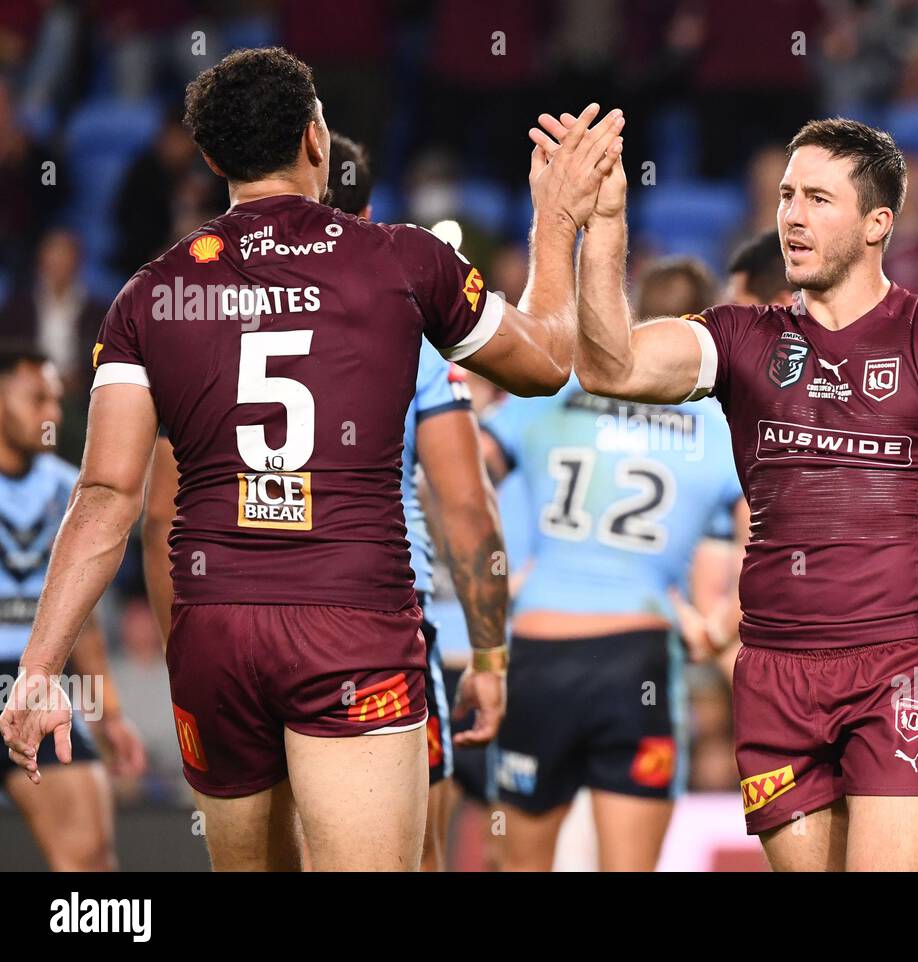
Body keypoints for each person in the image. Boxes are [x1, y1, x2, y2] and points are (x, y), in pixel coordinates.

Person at [0, 47, 621, 872]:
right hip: (351, 619)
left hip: (216, 628)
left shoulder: (151, 293)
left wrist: (40, 667)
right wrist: (556, 216)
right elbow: (545, 363)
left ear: (215, 160)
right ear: (316, 140)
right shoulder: (403, 261)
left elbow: (110, 494)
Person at [538, 113, 918, 872]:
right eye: (785, 196)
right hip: (775, 675)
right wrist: (607, 222)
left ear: (878, 223)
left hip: (896, 674)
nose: (792, 217)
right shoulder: (744, 337)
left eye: (817, 198)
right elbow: (609, 368)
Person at [138, 131, 508, 873]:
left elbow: (153, 518)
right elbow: (465, 504)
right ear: (365, 214)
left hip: (226, 622)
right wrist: (492, 654)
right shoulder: (412, 314)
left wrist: (189, 650)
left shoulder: (193, 312)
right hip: (369, 624)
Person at [478, 255, 745, 872]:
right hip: (638, 655)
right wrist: (717, 623)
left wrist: (500, 576)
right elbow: (771, 540)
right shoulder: (717, 426)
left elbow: (463, 475)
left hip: (540, 648)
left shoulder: (558, 391)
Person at [0, 344, 145, 870]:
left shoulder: (73, 490)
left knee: (91, 861)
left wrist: (109, 716)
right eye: (36, 398)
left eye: (56, 401)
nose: (52, 415)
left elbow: (79, 620)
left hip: (32, 683)